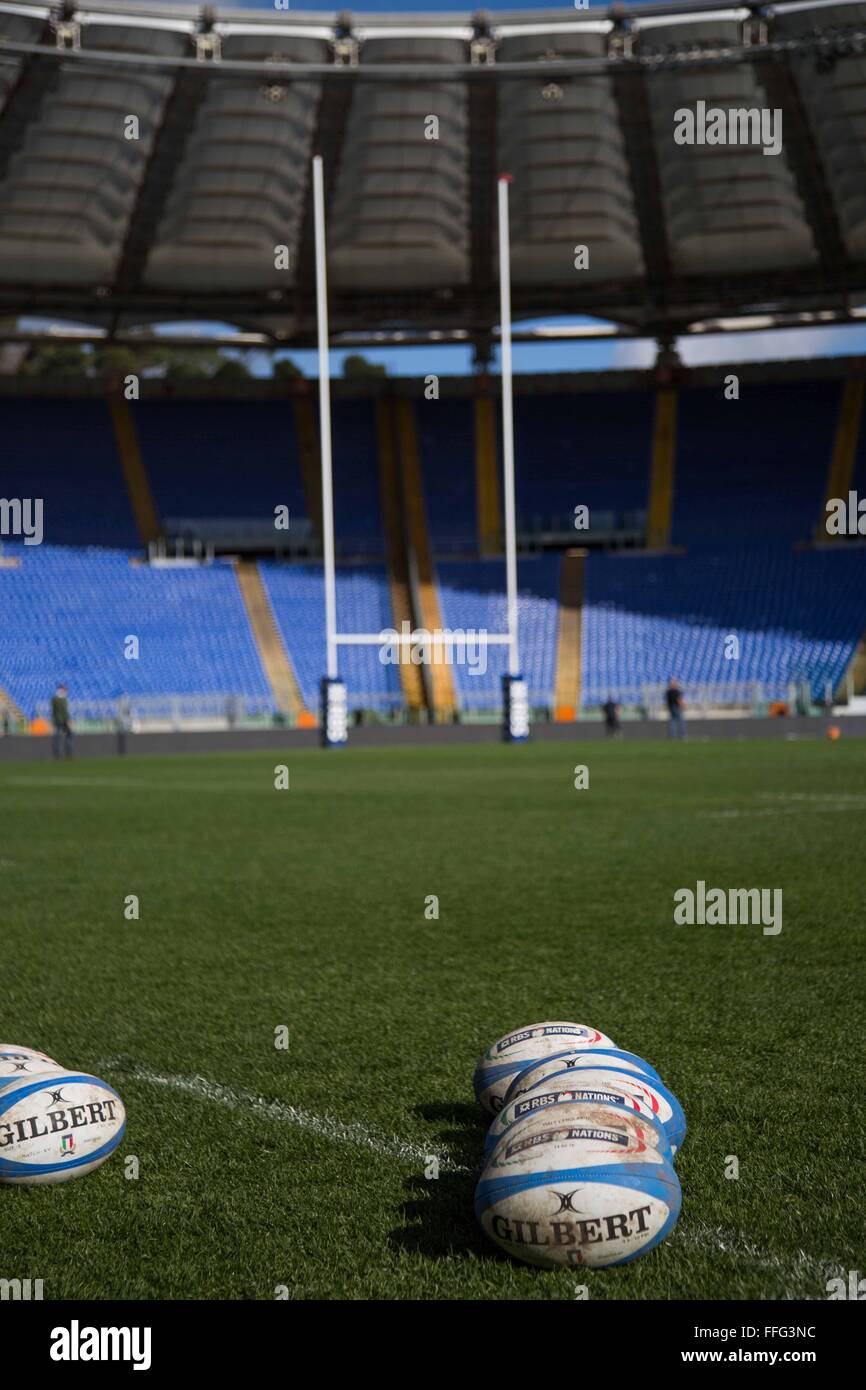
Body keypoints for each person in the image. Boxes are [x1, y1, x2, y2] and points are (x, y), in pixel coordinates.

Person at [51, 683, 73, 759]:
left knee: (57, 737)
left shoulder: (54, 698)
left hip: (57, 720)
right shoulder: (62, 699)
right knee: (69, 735)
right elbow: (64, 711)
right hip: (63, 720)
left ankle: (57, 754)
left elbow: (54, 711)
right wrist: (68, 720)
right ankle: (68, 753)